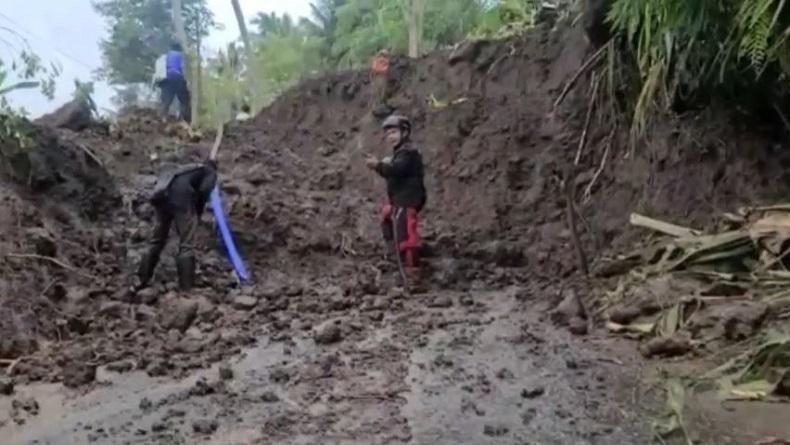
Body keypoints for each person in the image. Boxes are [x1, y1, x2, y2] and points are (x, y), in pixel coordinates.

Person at [135, 154, 218, 291]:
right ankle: (186, 288)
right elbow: (204, 190)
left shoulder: (187, 169)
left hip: (161, 196)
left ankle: (142, 279)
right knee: (187, 244)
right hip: (181, 198)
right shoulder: (209, 171)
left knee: (156, 240)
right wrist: (197, 211)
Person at [365, 115, 426, 276]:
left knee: (406, 235)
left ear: (404, 132)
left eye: (394, 132)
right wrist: (383, 165)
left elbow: (396, 170)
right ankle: (394, 254)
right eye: (388, 134)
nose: (391, 137)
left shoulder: (409, 152)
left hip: (408, 199)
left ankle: (411, 272)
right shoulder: (401, 151)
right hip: (399, 199)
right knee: (386, 216)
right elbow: (393, 170)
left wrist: (378, 165)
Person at [159, 42, 192, 123]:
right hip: (178, 78)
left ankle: (163, 118)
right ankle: (183, 119)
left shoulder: (165, 56)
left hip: (166, 79)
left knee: (166, 101)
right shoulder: (181, 56)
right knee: (184, 100)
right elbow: (183, 68)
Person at [369, 49, 390, 113]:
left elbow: (385, 69)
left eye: (384, 55)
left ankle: (380, 105)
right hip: (377, 77)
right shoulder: (376, 61)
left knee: (382, 91)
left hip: (382, 77)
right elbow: (374, 69)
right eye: (382, 55)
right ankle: (375, 107)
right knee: (376, 92)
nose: (382, 57)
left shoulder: (386, 62)